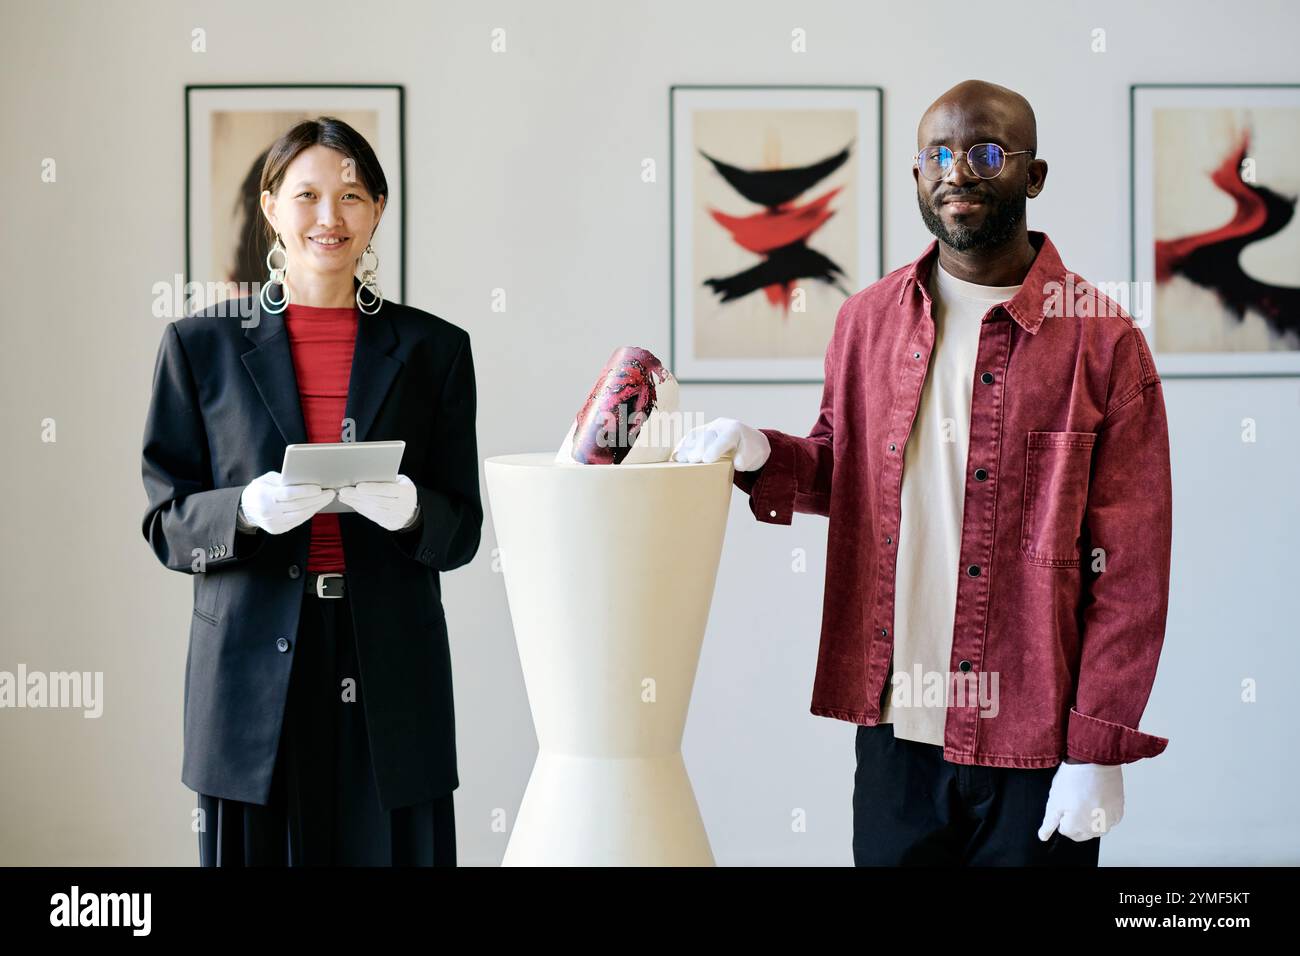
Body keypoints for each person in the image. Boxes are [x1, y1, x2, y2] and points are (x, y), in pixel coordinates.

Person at [673, 80, 1172, 866]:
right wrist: (766, 452)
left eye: (983, 153)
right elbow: (847, 475)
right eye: (938, 154)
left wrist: (1098, 747)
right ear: (914, 177)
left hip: (1034, 741)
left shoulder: (1104, 344)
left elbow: (1132, 571)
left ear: (1033, 177)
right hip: (897, 731)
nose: (957, 173)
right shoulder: (866, 322)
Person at [141, 116, 482, 865]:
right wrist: (243, 511)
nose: (330, 217)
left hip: (389, 659)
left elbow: (463, 533)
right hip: (250, 667)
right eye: (308, 195)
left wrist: (417, 510)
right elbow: (166, 522)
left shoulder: (435, 349)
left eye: (353, 196)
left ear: (378, 213)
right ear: (271, 206)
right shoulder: (201, 346)